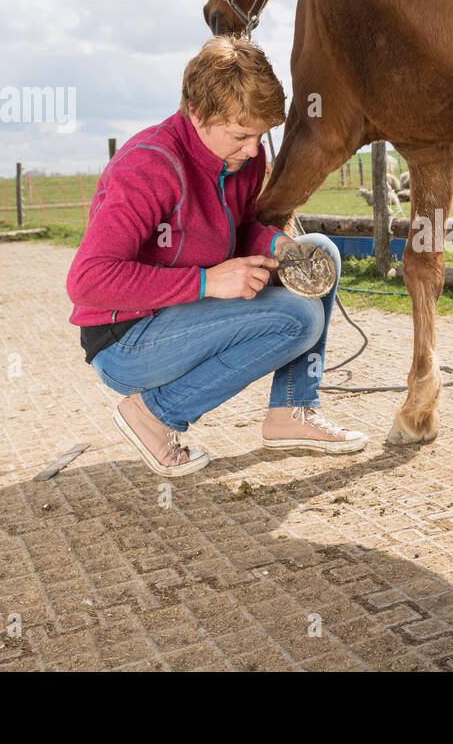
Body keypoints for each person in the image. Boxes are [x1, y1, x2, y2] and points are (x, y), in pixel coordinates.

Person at [66, 36, 367, 477]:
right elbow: (87, 281)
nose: (253, 149)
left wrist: (273, 244)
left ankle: (290, 410)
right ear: (197, 113)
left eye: (260, 135)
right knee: (298, 319)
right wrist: (207, 282)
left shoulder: (243, 159)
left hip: (183, 313)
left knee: (319, 252)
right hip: (125, 340)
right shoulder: (148, 165)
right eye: (241, 135)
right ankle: (153, 415)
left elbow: (240, 227)